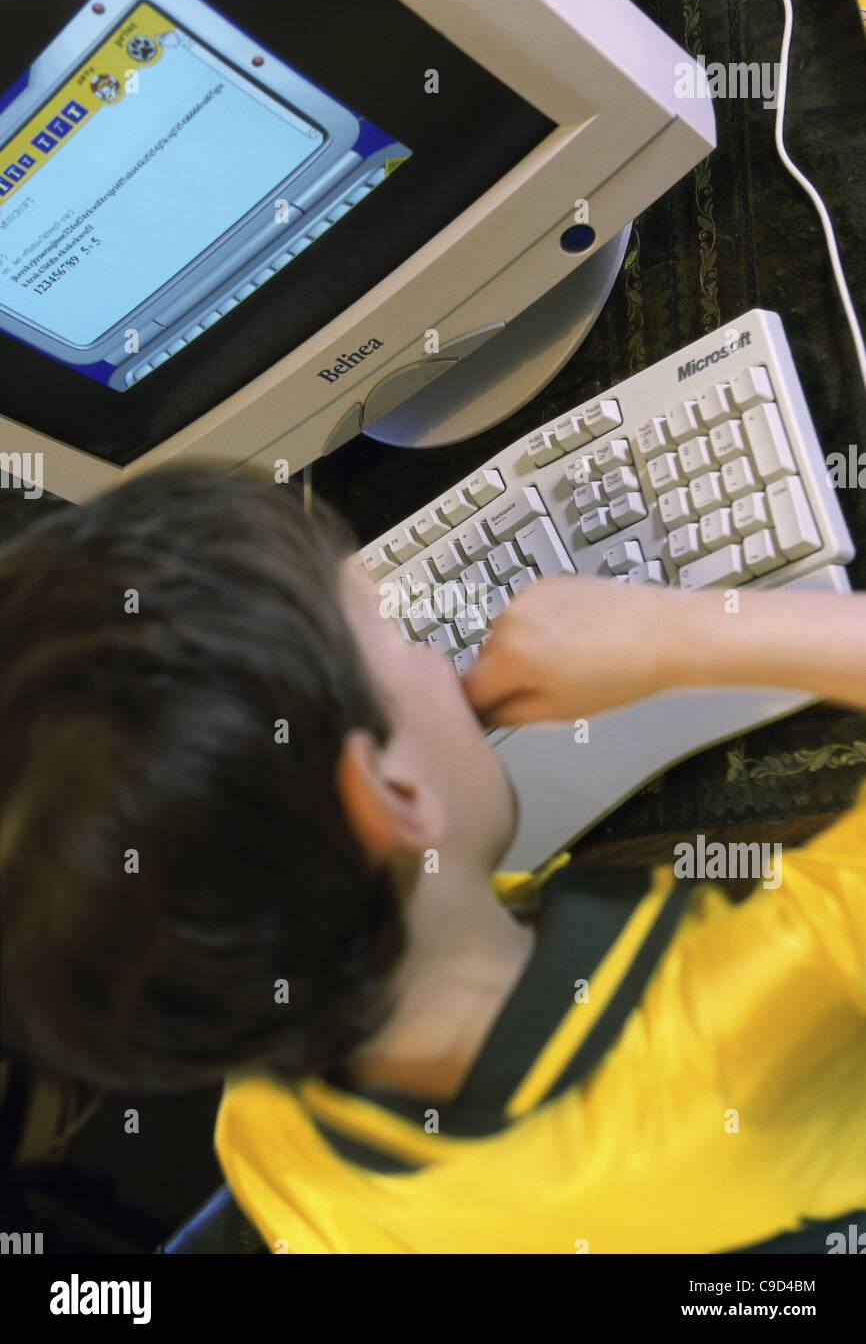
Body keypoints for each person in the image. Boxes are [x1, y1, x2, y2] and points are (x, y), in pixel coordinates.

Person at [1, 464, 863, 1254]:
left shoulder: (266, 1133)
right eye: (396, 635)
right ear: (394, 796)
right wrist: (688, 631)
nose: (429, 652)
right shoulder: (765, 1005)